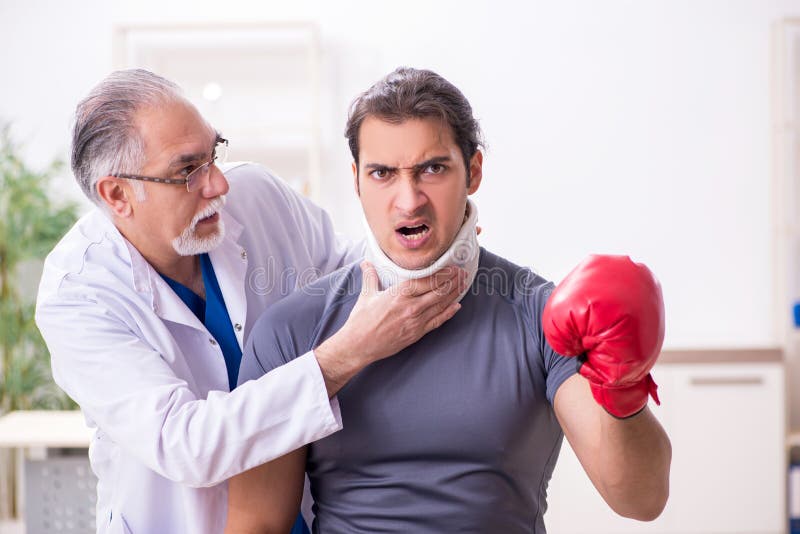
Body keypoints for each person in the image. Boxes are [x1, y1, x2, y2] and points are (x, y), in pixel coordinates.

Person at [225, 67, 672, 533]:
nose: (409, 200)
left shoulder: (540, 313)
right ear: (357, 181)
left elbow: (640, 500)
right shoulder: (294, 328)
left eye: (432, 168)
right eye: (382, 174)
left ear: (473, 172)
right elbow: (256, 522)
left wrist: (624, 385)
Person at [34, 69, 467, 534]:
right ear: (118, 195)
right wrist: (348, 353)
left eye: (213, 153)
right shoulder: (78, 295)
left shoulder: (256, 196)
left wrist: (432, 247)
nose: (218, 184)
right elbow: (186, 444)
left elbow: (351, 267)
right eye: (187, 171)